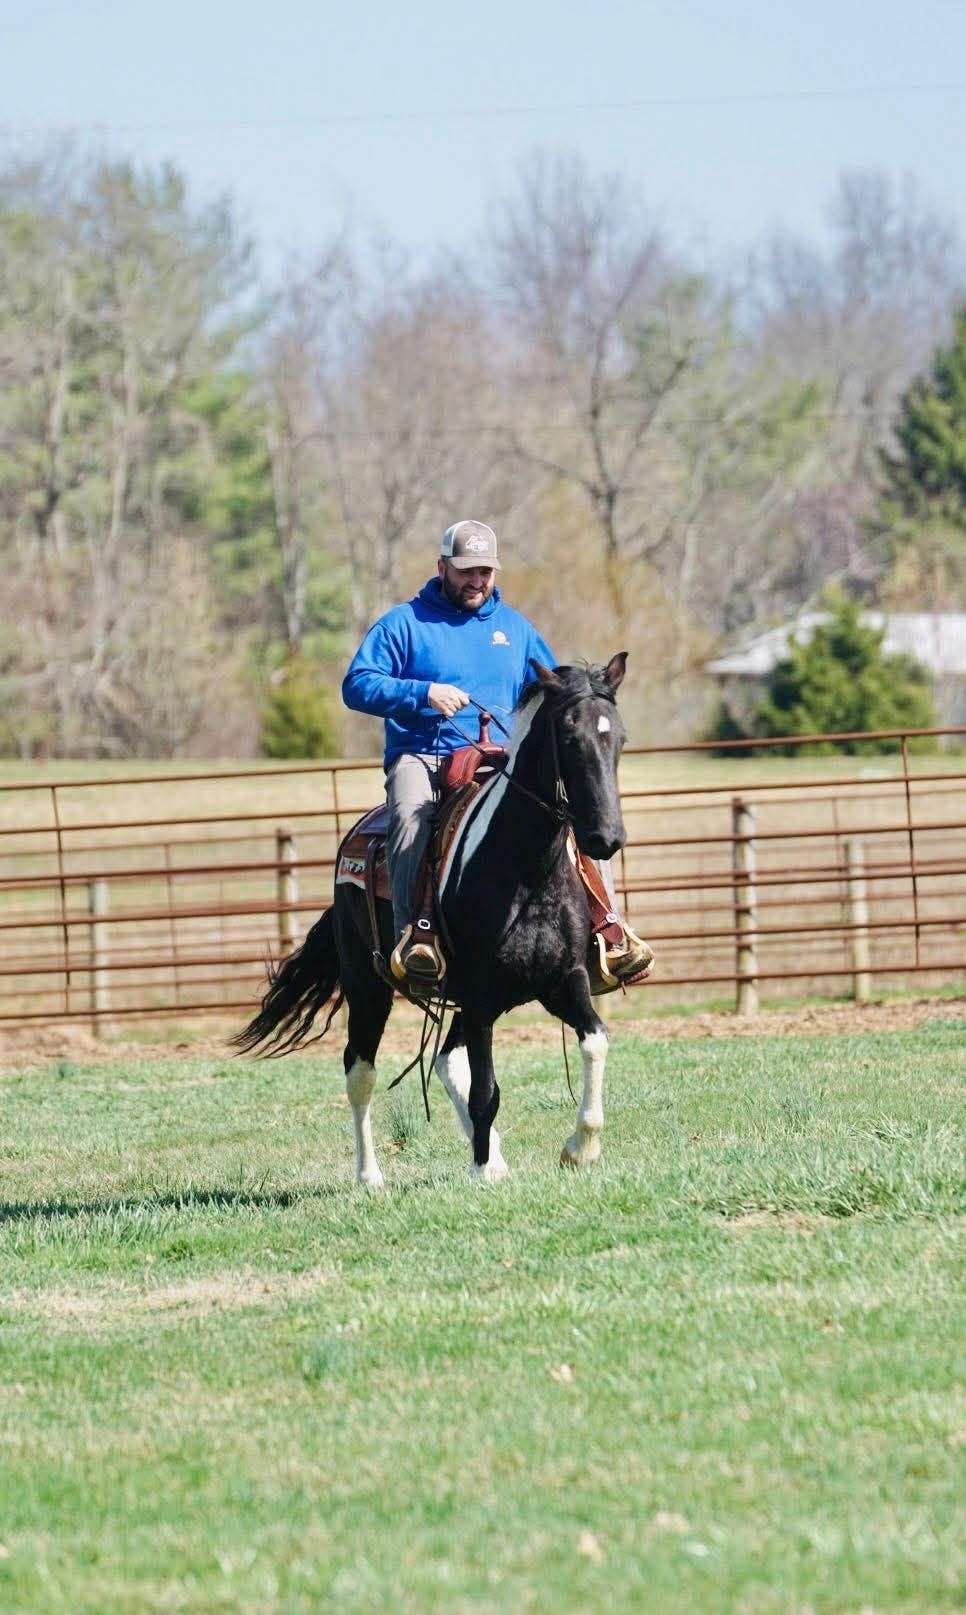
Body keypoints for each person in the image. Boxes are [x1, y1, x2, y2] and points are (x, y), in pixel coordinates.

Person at [342, 519, 651, 990]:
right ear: (442, 567)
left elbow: (554, 688)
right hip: (424, 757)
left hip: (501, 762)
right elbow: (357, 684)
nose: (477, 581)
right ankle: (415, 936)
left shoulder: (516, 630)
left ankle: (609, 930)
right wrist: (423, 694)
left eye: (486, 571)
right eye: (467, 571)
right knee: (409, 817)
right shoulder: (403, 625)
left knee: (573, 818)